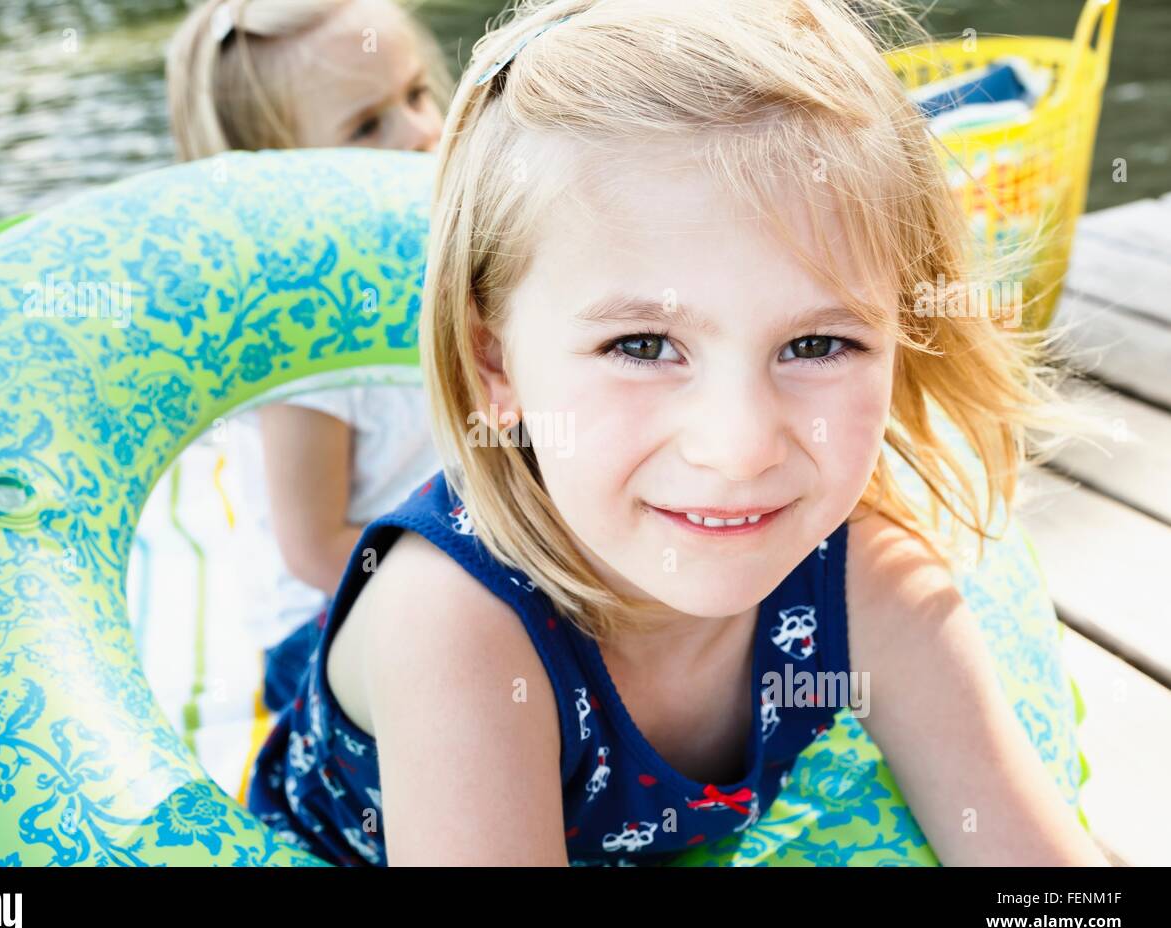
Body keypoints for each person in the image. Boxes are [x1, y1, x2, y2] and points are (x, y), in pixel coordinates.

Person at [247, 0, 1111, 867]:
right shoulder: (457, 630)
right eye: (643, 346)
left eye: (817, 343)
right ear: (494, 364)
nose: (739, 448)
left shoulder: (866, 585)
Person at [164, 0, 450, 675]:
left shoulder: (441, 264)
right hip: (333, 620)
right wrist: (482, 574)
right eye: (366, 124)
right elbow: (315, 548)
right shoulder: (308, 337)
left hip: (456, 566)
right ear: (283, 172)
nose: (418, 131)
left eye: (415, 94)